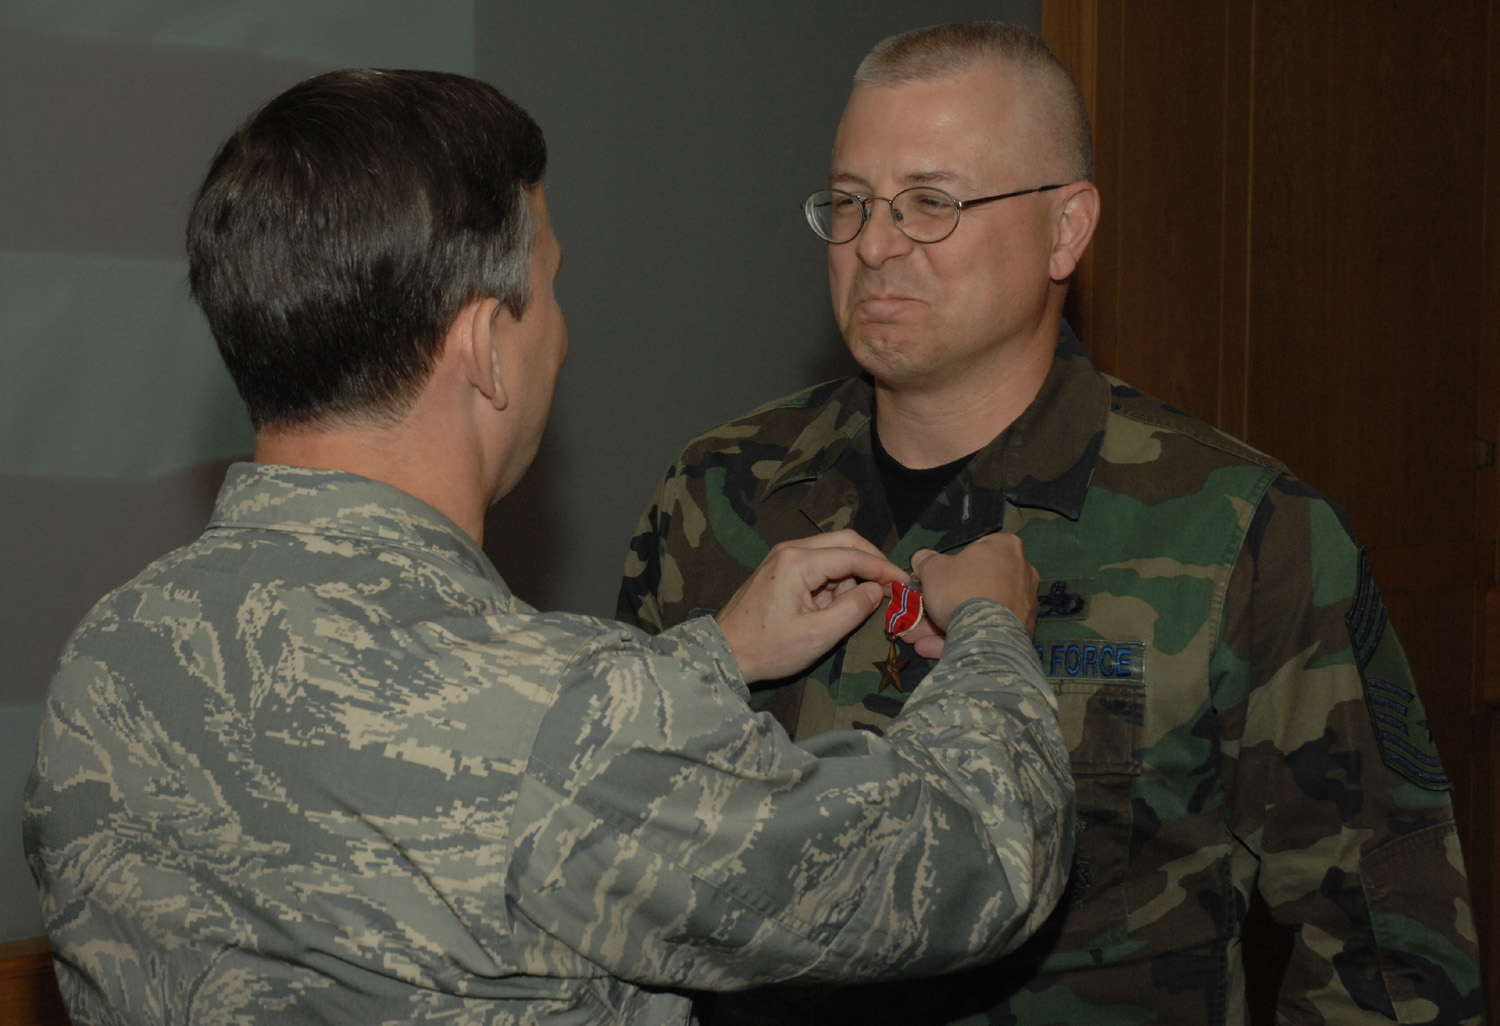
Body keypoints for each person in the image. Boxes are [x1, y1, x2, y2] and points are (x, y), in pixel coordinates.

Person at [21, 69, 1077, 1025]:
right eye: (553, 289)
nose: (561, 332)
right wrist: (989, 629)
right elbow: (974, 861)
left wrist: (708, 657)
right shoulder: (570, 729)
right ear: (486, 345)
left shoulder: (107, 661)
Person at [617, 21, 1485, 1026]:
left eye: (930, 204)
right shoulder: (719, 494)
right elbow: (612, 863)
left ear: (1066, 229)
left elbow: (1392, 952)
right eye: (850, 204)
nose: (875, 246)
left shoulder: (1241, 532)